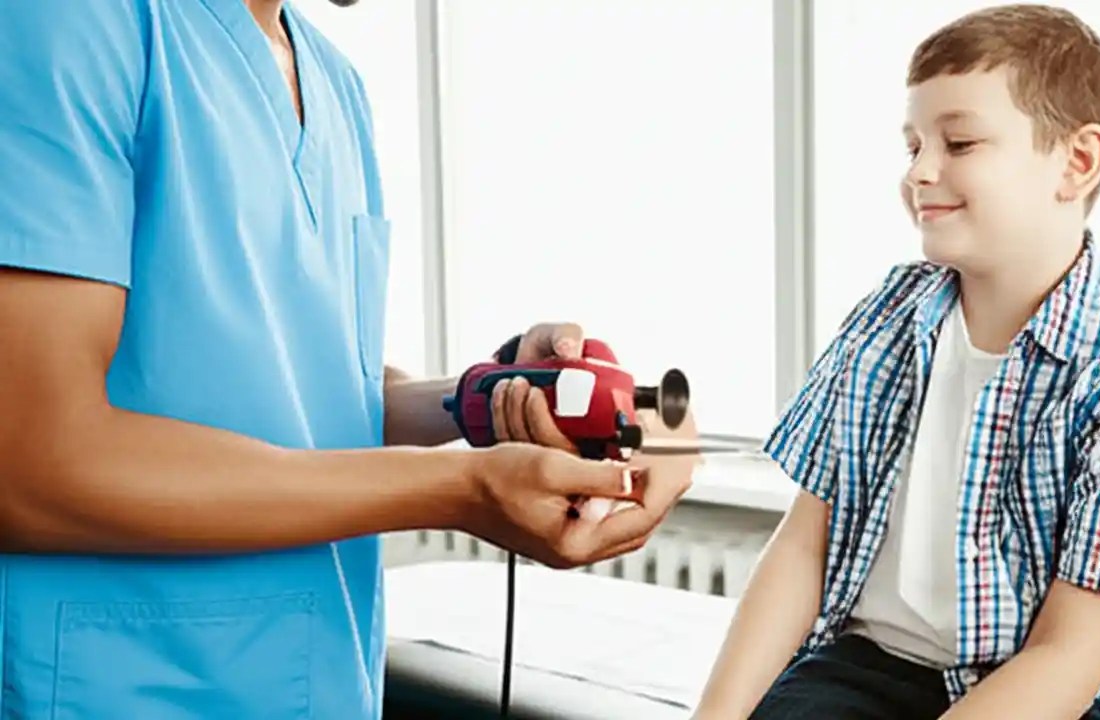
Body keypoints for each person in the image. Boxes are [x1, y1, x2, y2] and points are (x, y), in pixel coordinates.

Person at [0, 1, 690, 718]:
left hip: (323, 683)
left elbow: (315, 387)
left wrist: (476, 398)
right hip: (129, 689)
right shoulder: (70, 22)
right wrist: (462, 489)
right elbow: (28, 463)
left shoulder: (335, 83)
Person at [694, 5, 1100, 720]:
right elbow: (801, 551)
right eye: (913, 146)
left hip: (1079, 697)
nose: (922, 171)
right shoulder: (886, 318)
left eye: (961, 142)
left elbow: (1070, 655)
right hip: (876, 668)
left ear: (1078, 161)